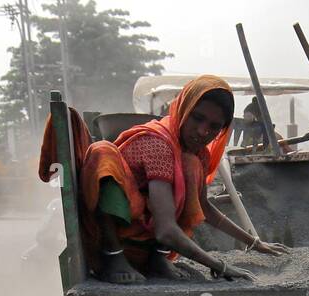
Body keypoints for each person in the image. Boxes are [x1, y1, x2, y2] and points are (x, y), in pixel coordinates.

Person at [39, 74, 286, 284]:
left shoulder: (196, 154)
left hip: (144, 238)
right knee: (103, 152)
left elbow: (204, 207)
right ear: (184, 109)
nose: (203, 131)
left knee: (189, 165)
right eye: (197, 118)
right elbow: (166, 229)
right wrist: (219, 266)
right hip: (114, 234)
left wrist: (254, 242)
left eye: (214, 126)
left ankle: (155, 259)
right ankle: (113, 257)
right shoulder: (158, 143)